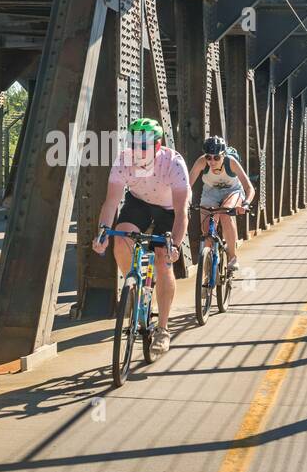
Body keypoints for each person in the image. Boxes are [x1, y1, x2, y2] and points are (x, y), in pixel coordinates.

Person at [92, 118, 189, 356]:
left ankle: (163, 329)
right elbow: (111, 203)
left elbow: (181, 212)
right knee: (120, 237)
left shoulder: (173, 163)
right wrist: (102, 232)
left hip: (169, 209)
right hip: (139, 203)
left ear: (157, 146)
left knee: (163, 260)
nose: (137, 151)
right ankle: (134, 286)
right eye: (133, 144)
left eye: (143, 146)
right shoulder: (123, 160)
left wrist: (174, 246)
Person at [187, 135, 254, 273]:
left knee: (225, 213)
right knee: (207, 232)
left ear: (223, 155)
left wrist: (246, 203)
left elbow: (249, 188)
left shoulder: (231, 162)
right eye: (208, 157)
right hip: (210, 192)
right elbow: (187, 186)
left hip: (232, 191)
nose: (212, 161)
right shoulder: (201, 162)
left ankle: (232, 257)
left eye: (216, 157)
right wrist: (186, 201)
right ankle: (210, 263)